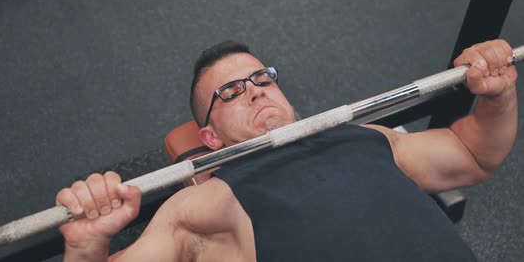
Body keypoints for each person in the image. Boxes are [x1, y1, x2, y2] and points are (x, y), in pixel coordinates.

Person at [56, 39, 518, 261]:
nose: (256, 91)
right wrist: (88, 244)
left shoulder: (366, 137)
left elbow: (472, 153)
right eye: (232, 93)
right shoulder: (203, 206)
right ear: (210, 139)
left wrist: (496, 95)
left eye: (262, 78)